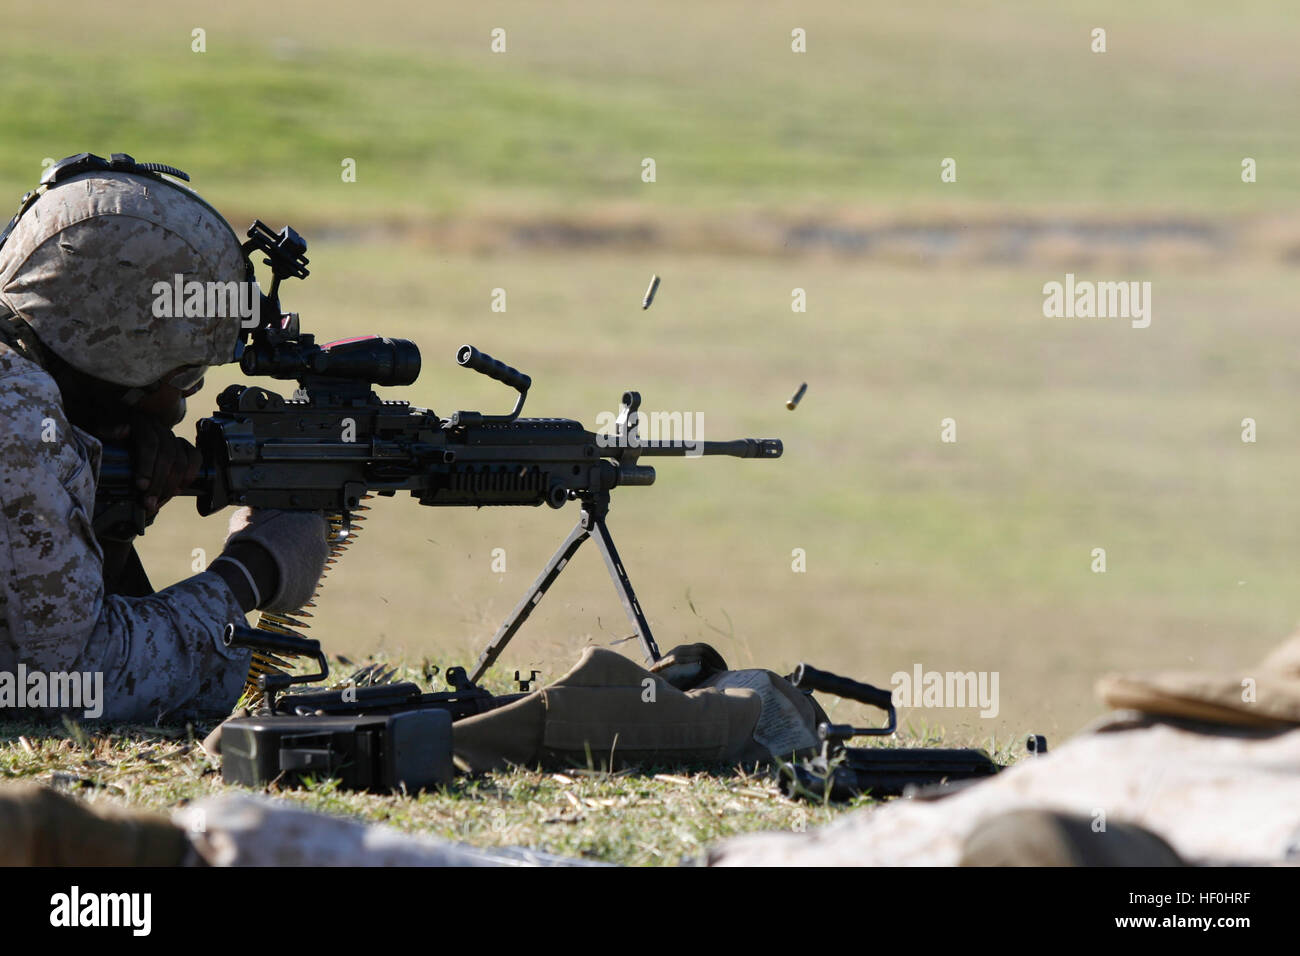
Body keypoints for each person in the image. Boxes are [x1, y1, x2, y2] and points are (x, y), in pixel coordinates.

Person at [0, 153, 329, 722]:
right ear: (118, 358)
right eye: (185, 377)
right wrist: (248, 572)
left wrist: (108, 502)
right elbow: (67, 684)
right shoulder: (19, 414)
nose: (182, 405)